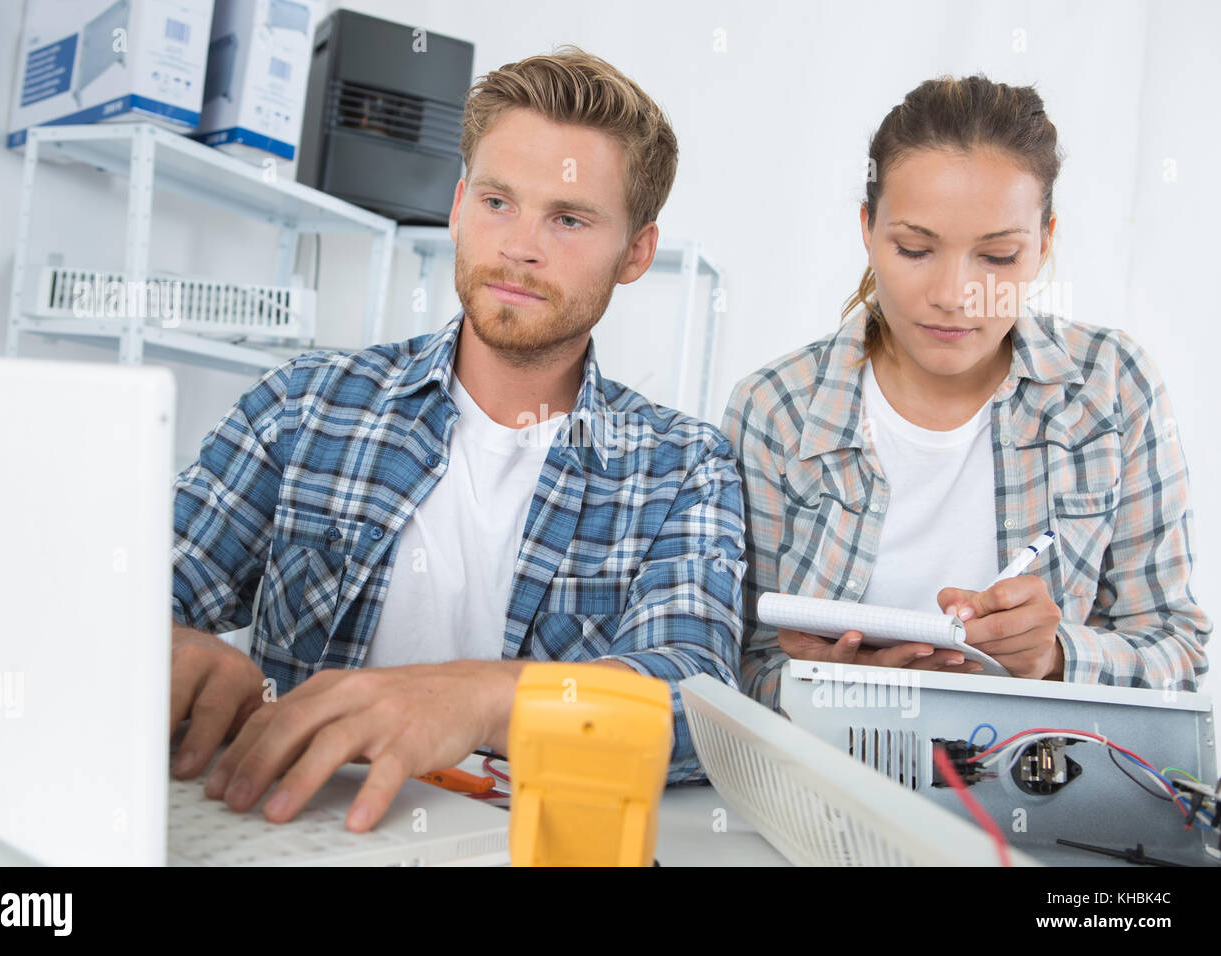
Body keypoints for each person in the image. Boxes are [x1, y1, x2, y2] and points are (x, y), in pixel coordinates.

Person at [168, 46, 745, 831]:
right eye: (499, 202)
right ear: (458, 204)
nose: (520, 246)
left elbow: (693, 704)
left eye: (569, 219)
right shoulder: (304, 406)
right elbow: (127, 589)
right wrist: (161, 640)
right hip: (289, 830)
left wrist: (477, 696)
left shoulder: (682, 468)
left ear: (636, 252)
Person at [724, 75, 1211, 711]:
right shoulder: (773, 409)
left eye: (998, 257)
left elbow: (1178, 653)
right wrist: (812, 685)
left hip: (1046, 788)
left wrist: (1055, 657)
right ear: (868, 230)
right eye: (915, 248)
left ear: (1045, 243)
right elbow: (731, 665)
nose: (956, 294)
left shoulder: (1113, 386)